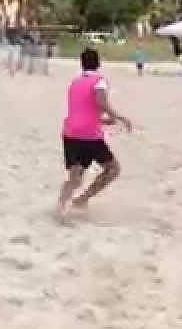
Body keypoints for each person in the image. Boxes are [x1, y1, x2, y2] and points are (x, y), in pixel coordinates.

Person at [56, 48, 133, 219]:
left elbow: (82, 112)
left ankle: (61, 205)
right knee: (113, 169)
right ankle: (82, 199)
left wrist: (105, 121)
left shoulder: (74, 83)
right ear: (98, 63)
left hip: (70, 134)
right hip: (90, 137)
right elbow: (100, 102)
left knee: (75, 176)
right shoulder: (99, 81)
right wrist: (119, 117)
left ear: (82, 64)